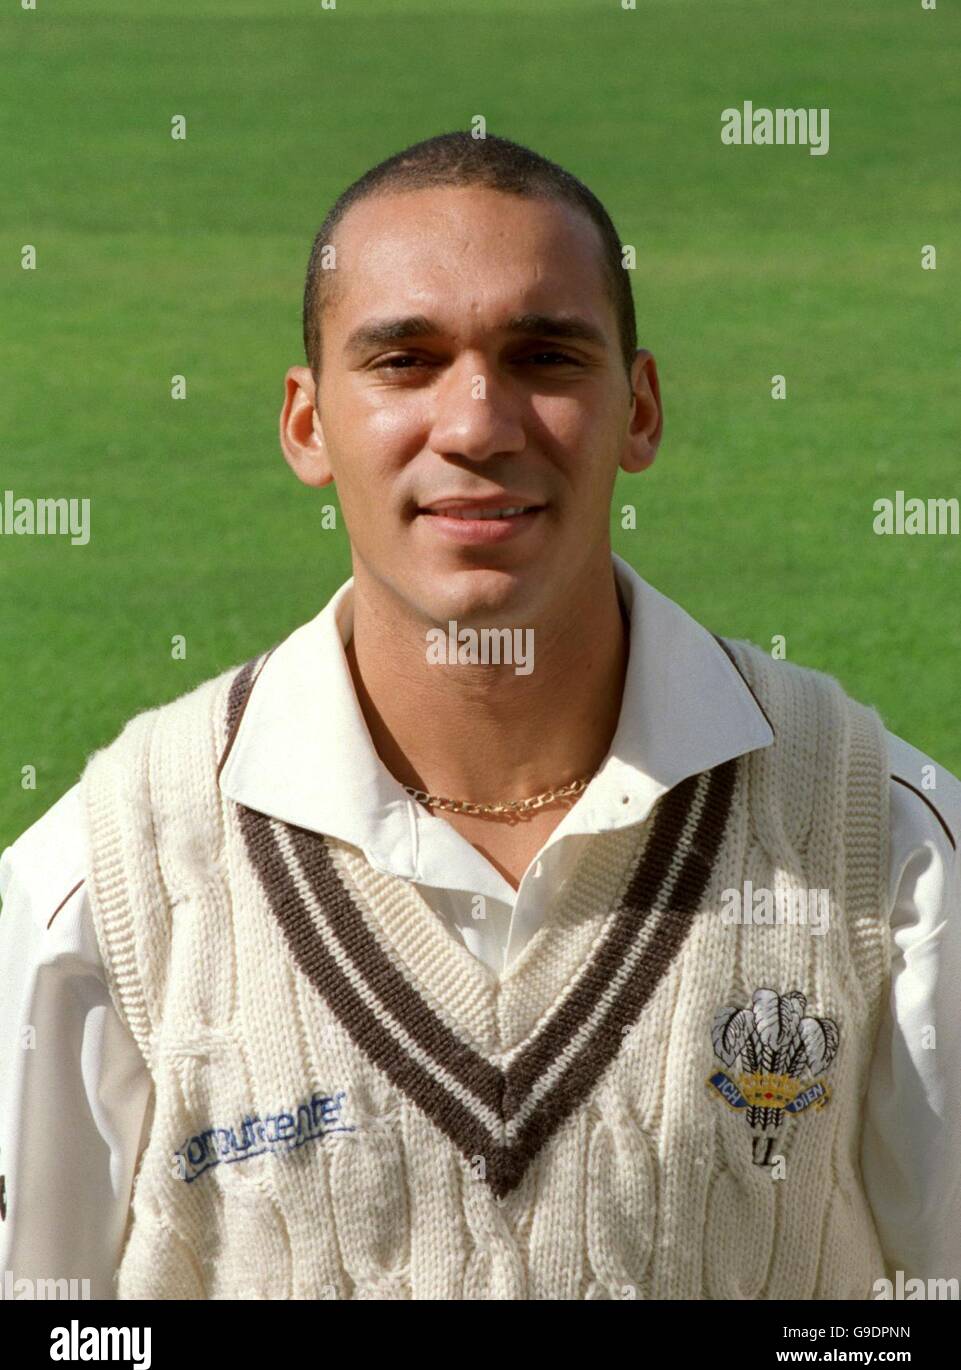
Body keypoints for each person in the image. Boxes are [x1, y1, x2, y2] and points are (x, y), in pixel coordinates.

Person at [1, 131, 959, 1301]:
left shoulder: (885, 838)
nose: (478, 424)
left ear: (640, 409)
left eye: (544, 356)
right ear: (307, 424)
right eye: (404, 360)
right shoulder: (107, 879)